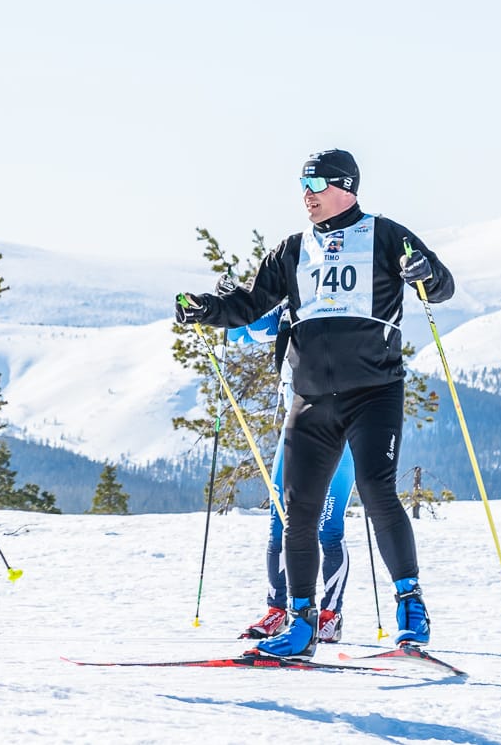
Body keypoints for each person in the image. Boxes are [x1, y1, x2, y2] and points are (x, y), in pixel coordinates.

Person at [174, 149, 452, 660]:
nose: (308, 193)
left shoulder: (386, 235)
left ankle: (411, 604)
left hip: (373, 392)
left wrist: (426, 272)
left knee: (376, 490)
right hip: (311, 399)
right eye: (303, 184)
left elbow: (441, 286)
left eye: (318, 183)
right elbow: (250, 304)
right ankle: (301, 622)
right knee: (297, 509)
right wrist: (206, 310)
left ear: (346, 186)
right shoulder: (292, 249)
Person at [226, 309, 357, 644]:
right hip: (297, 431)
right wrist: (225, 306)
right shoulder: (289, 306)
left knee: (328, 528)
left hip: (341, 431)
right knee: (280, 524)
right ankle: (277, 610)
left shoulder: (346, 302)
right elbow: (242, 332)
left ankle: (330, 615)